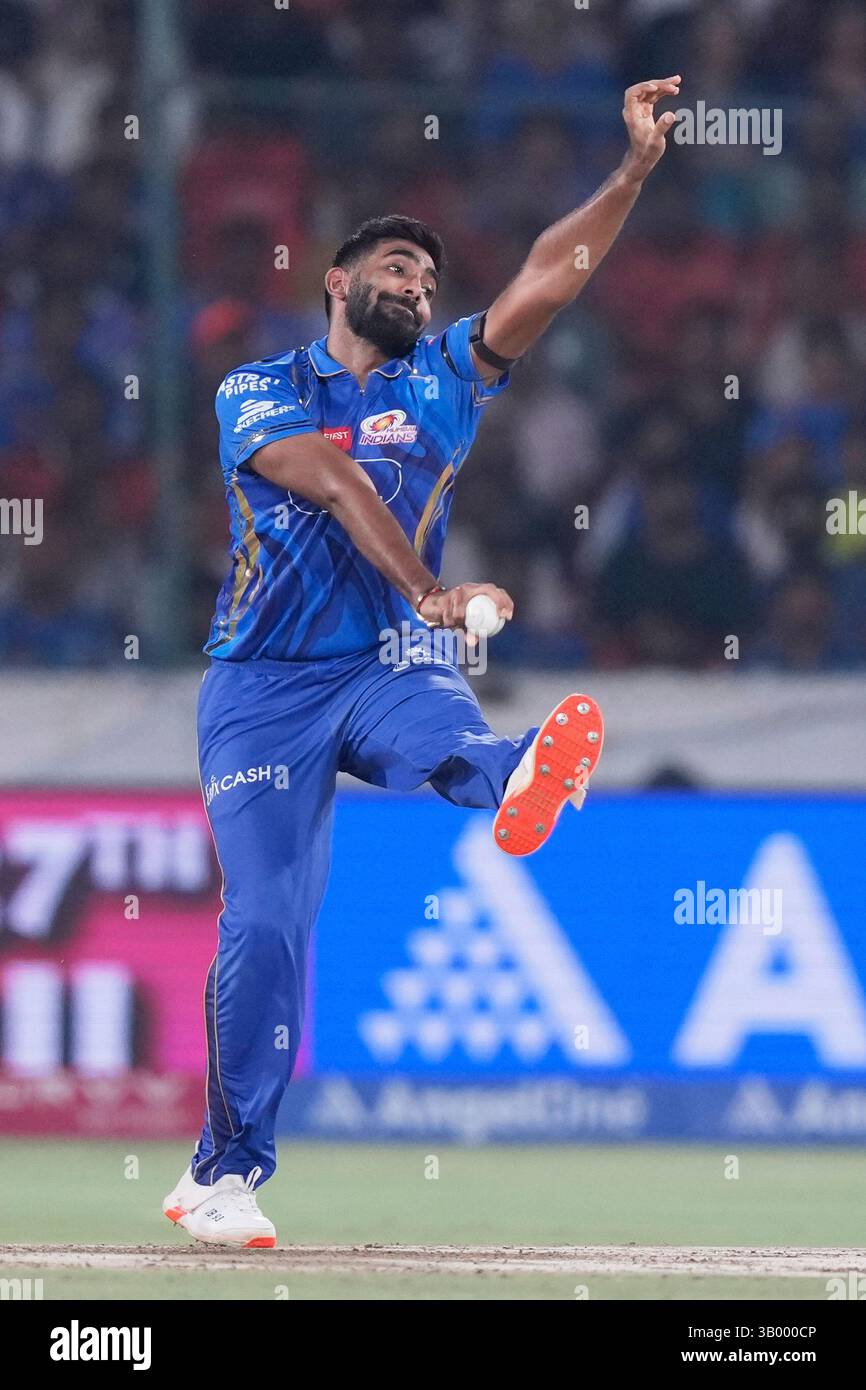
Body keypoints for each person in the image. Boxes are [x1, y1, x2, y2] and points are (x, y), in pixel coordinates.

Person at [163, 77, 681, 1246]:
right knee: (267, 921)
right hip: (260, 688)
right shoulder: (260, 387)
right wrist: (438, 590)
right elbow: (339, 485)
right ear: (337, 284)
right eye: (395, 269)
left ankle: (516, 775)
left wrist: (631, 172)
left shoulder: (445, 380)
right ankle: (220, 1172)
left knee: (451, 736)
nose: (418, 285)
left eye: (429, 278)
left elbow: (552, 275)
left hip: (389, 661)